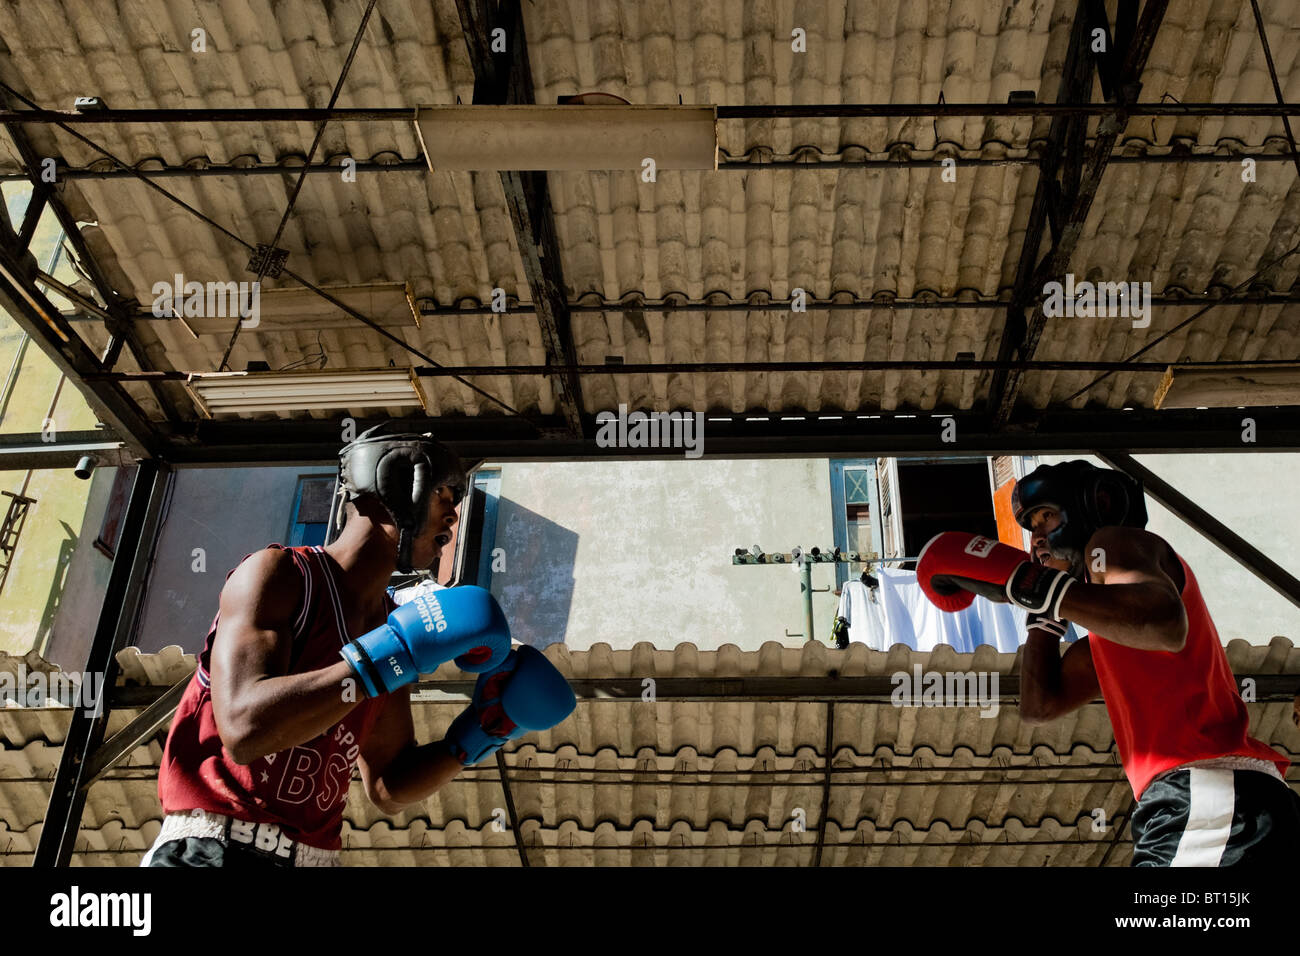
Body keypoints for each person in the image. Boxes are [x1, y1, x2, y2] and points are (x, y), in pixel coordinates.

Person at [142, 423, 575, 867]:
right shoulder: (280, 575)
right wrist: (387, 657)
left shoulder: (391, 630)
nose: (453, 516)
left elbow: (388, 787)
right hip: (216, 847)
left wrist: (481, 732)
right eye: (444, 494)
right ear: (394, 481)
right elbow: (245, 730)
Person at [915, 459, 1299, 866]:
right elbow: (1039, 706)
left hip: (1207, 798)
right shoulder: (1110, 635)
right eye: (1031, 528)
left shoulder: (1112, 543)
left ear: (1093, 506)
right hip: (1232, 802)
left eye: (1046, 518)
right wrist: (1041, 609)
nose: (1038, 539)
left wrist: (1039, 585)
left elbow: (1166, 624)